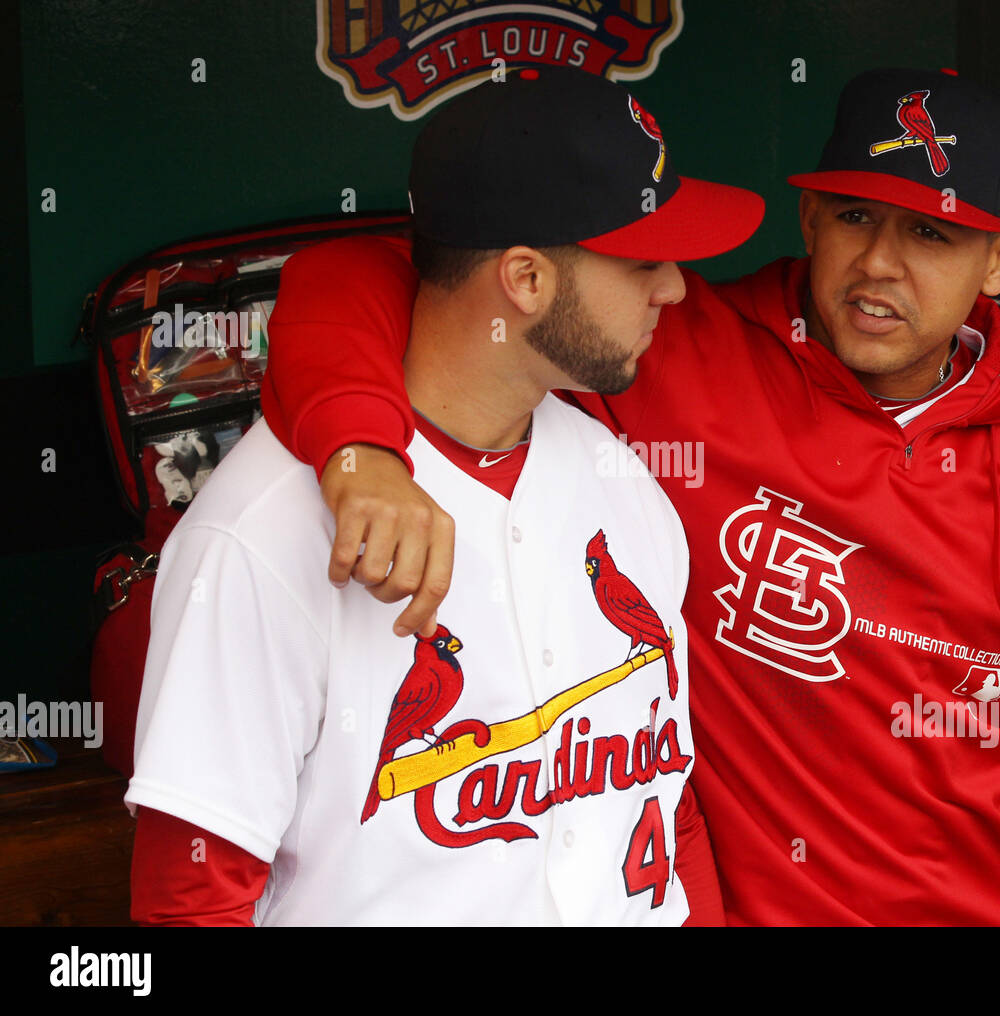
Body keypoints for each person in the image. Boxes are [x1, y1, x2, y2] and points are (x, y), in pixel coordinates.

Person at [259, 67, 1000, 926]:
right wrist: (360, 451)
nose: (881, 265)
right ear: (810, 218)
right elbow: (369, 279)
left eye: (931, 233)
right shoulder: (675, 341)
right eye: (857, 216)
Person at [125, 66, 765, 925]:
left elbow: (667, 806)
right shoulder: (261, 536)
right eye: (643, 259)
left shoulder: (625, 487)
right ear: (527, 281)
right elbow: (190, 900)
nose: (676, 287)